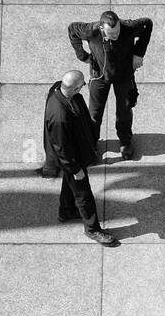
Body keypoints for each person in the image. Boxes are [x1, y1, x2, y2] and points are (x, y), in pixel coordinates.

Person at [66, 9, 153, 160]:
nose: (116, 35)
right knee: (94, 113)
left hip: (124, 75)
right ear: (101, 28)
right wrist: (82, 55)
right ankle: (92, 142)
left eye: (117, 31)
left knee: (124, 110)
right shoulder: (90, 31)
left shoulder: (129, 27)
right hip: (99, 75)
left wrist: (139, 53)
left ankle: (125, 141)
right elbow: (72, 29)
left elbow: (148, 24)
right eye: (111, 34)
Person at [43, 70, 117, 245]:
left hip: (75, 154)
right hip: (72, 160)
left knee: (70, 183)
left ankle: (66, 210)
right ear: (75, 88)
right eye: (82, 85)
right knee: (84, 194)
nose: (84, 86)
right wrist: (75, 169)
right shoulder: (59, 117)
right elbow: (62, 148)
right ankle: (93, 229)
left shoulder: (60, 89)